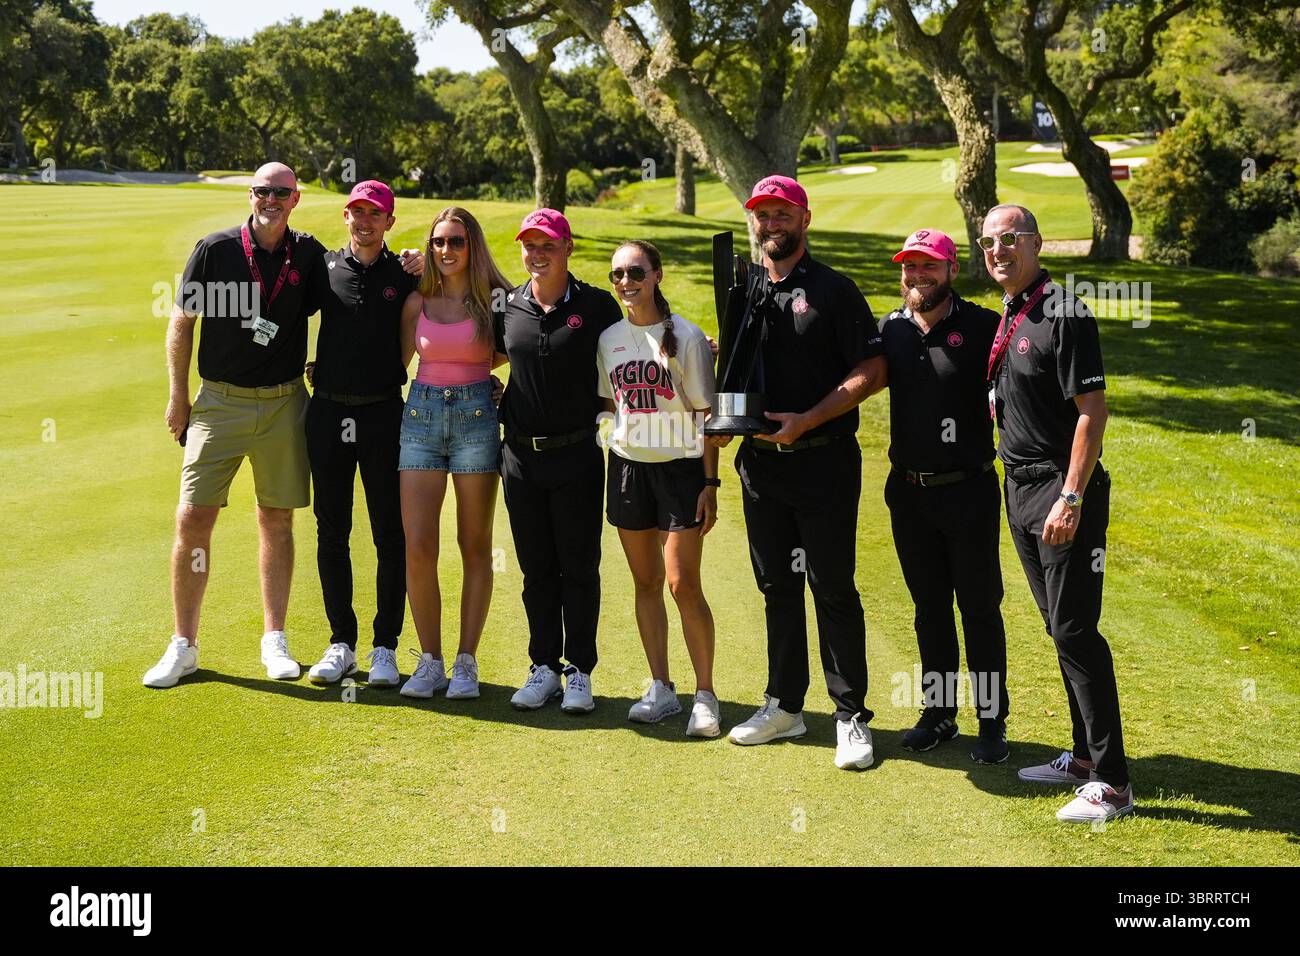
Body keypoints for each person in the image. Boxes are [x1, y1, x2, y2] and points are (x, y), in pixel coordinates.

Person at [708, 175, 887, 770]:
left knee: (832, 587)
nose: (771, 223)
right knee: (776, 587)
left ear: (804, 219)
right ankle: (784, 705)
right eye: (762, 214)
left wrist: (809, 419)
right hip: (761, 466)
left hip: (825, 462)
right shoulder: (744, 288)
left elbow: (873, 368)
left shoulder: (833, 289)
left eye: (782, 212)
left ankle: (851, 715)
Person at [145, 162, 325, 688]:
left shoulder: (308, 253)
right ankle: (184, 645)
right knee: (193, 519)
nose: (272, 199)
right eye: (264, 190)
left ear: (296, 199)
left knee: (276, 519)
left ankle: (275, 639)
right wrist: (179, 398)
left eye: (282, 192)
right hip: (218, 403)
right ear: (251, 195)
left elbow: (344, 303)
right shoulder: (216, 249)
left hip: (284, 402)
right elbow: (181, 322)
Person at [982, 203, 1132, 823]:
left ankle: (1115, 785)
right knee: (1058, 629)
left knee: (1075, 631)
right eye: (989, 241)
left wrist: (1071, 496)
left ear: (1037, 244)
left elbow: (1090, 414)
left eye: (1010, 239)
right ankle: (1083, 760)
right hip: (1017, 489)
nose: (998, 250)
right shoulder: (1014, 311)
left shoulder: (1063, 310)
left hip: (1060, 493)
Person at [879, 228, 1009, 762]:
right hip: (909, 492)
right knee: (929, 608)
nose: (917, 276)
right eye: (909, 266)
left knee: (979, 610)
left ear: (951, 270)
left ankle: (991, 722)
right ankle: (938, 715)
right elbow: (831, 368)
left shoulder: (982, 326)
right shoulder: (889, 330)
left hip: (969, 491)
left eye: (928, 266)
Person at [496, 209, 623, 714]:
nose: (536, 253)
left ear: (567, 248)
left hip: (577, 454)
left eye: (547, 244)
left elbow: (635, 348)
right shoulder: (507, 306)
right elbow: (480, 355)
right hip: (520, 458)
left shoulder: (596, 306)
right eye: (529, 245)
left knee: (579, 567)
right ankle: (543, 666)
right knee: (535, 569)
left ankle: (579, 671)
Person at [598, 240, 722, 737]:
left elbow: (706, 416)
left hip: (680, 472)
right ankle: (661, 688)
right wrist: (609, 434)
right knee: (645, 583)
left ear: (657, 276)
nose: (626, 282)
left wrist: (710, 482)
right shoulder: (608, 338)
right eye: (617, 275)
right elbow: (608, 402)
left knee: (681, 584)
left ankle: (706, 694)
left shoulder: (688, 339)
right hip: (628, 469)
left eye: (635, 272)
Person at [303, 180, 424, 689]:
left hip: (382, 415)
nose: (365, 220)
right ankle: (341, 642)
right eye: (357, 212)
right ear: (346, 217)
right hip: (328, 413)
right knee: (332, 529)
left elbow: (407, 346)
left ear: (390, 222)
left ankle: (385, 646)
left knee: (388, 533)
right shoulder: (323, 267)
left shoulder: (406, 274)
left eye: (375, 213)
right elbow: (286, 318)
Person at [396, 207, 512, 700]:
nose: (447, 251)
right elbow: (396, 364)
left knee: (474, 544)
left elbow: (516, 345)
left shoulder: (496, 300)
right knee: (419, 544)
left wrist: (488, 376)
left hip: (476, 420)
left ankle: (465, 661)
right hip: (420, 417)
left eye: (457, 242)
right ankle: (430, 659)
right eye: (439, 242)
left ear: (473, 246)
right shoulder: (416, 300)